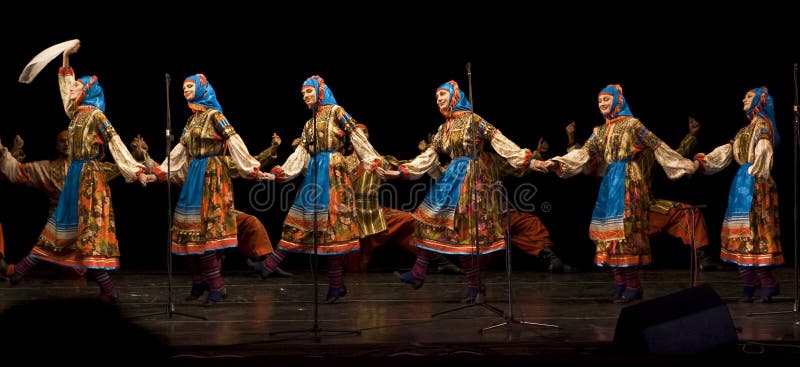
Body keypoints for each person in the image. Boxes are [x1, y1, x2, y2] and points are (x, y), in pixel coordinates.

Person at [0, 43, 153, 303]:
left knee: (87, 232)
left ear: (88, 92)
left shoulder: (96, 116)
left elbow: (115, 143)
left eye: (76, 88)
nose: (71, 91)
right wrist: (66, 58)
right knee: (60, 225)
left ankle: (105, 288)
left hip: (91, 179)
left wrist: (137, 172)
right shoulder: (75, 115)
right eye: (72, 88)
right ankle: (22, 268)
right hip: (76, 176)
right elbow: (64, 92)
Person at [383, 80, 548, 303]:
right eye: (436, 96)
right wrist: (403, 171)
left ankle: (475, 286)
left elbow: (500, 141)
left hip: (474, 178)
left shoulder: (474, 119)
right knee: (428, 221)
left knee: (466, 233)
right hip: (452, 178)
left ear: (454, 96)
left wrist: (529, 161)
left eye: (442, 94)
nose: (439, 99)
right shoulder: (444, 128)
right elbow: (429, 156)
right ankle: (419, 272)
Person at [545, 84, 695, 303]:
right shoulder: (601, 131)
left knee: (626, 233)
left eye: (606, 100)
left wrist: (683, 164)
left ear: (618, 101)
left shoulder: (633, 125)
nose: (602, 104)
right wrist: (558, 162)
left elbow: (658, 146)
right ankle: (620, 284)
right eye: (599, 101)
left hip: (628, 180)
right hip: (610, 183)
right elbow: (583, 153)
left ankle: (633, 286)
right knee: (609, 235)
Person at [152, 73, 274, 306]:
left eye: (189, 87)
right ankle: (199, 281)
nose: (185, 90)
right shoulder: (191, 120)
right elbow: (180, 150)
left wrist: (250, 167)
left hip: (212, 175)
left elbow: (235, 141)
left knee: (207, 233)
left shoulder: (215, 116)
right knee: (188, 232)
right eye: (184, 87)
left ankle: (216, 286)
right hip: (195, 175)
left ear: (201, 89)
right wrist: (160, 170)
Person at [259, 75, 382, 303]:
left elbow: (356, 135)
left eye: (309, 91)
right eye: (302, 93)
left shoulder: (336, 111)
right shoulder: (309, 123)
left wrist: (372, 161)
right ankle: (270, 264)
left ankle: (333, 285)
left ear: (320, 91)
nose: (305, 95)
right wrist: (281, 173)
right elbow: (300, 154)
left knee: (332, 229)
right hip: (315, 174)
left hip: (334, 172)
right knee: (301, 221)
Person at [129, 133, 293, 285]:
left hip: (221, 212)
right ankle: (208, 281)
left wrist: (271, 150)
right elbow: (162, 170)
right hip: (196, 215)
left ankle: (265, 262)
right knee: (209, 244)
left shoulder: (219, 161)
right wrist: (144, 156)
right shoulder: (184, 164)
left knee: (250, 222)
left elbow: (248, 164)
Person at [565, 119, 724, 271]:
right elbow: (585, 163)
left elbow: (673, 157)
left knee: (689, 212)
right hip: (620, 214)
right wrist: (572, 139)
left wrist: (692, 135)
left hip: (646, 209)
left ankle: (703, 258)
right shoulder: (612, 158)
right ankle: (623, 270)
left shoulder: (648, 153)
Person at [693, 87, 783, 302]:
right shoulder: (743, 131)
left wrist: (756, 171)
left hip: (756, 183)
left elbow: (764, 151)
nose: (743, 99)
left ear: (760, 101)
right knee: (740, 234)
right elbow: (727, 152)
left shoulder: (762, 126)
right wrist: (702, 162)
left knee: (755, 233)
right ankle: (748, 284)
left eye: (749, 96)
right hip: (741, 184)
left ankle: (767, 283)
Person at [339, 124, 462, 274]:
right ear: (351, 141)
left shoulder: (380, 162)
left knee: (409, 222)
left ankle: (439, 261)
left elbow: (406, 166)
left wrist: (426, 153)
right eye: (359, 133)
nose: (362, 136)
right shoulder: (341, 162)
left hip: (374, 215)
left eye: (366, 133)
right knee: (355, 268)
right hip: (349, 218)